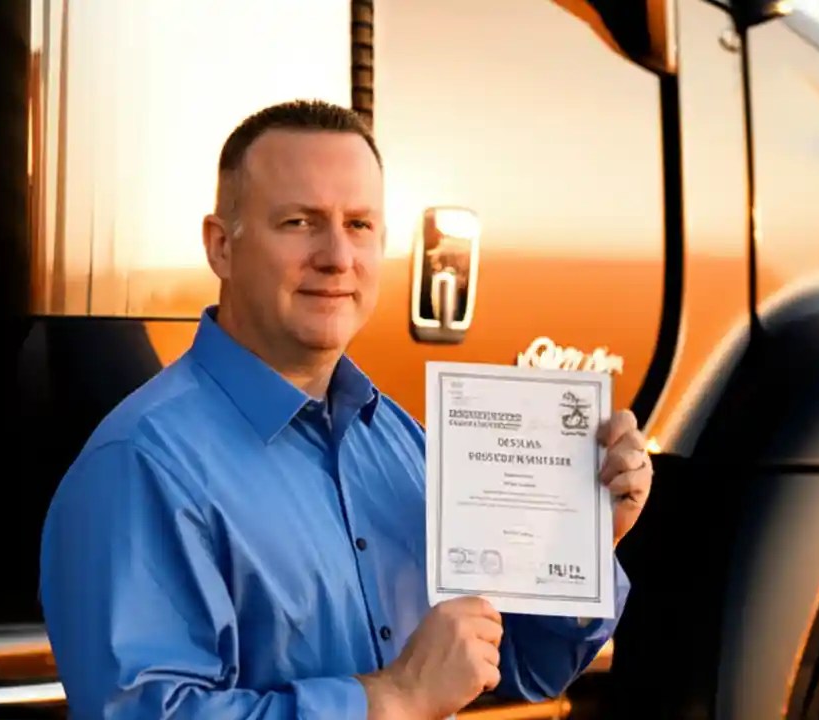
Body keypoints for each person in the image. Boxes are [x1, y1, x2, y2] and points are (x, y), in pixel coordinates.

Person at [39, 99, 653, 719]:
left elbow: (515, 672)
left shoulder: (404, 446)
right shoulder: (142, 465)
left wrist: (577, 541)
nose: (336, 256)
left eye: (358, 225)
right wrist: (392, 698)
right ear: (221, 247)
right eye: (300, 222)